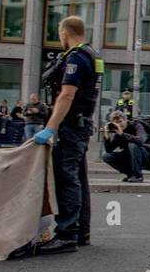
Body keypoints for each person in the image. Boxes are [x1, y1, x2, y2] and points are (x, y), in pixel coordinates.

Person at [33, 16, 105, 253]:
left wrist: (51, 127)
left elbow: (67, 95)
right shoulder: (93, 56)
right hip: (82, 125)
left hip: (71, 126)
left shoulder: (75, 57)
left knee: (67, 178)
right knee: (79, 179)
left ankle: (66, 234)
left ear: (64, 33)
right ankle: (81, 230)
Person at [101, 112, 150, 182]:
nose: (119, 124)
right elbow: (109, 149)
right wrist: (106, 137)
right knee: (106, 156)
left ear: (126, 120)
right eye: (116, 123)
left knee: (132, 145)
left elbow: (141, 140)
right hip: (130, 156)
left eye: (120, 122)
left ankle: (138, 176)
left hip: (146, 155)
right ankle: (130, 174)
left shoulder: (137, 125)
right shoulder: (118, 132)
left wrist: (123, 134)